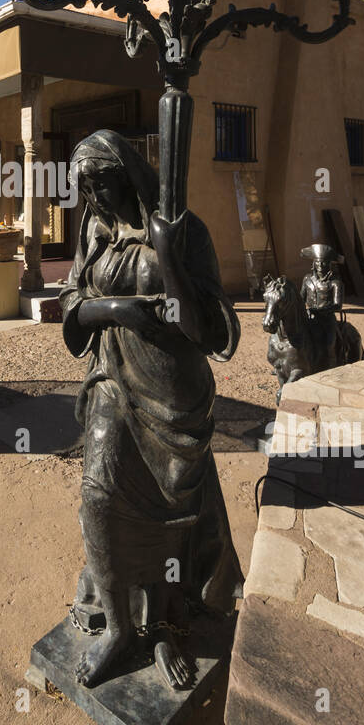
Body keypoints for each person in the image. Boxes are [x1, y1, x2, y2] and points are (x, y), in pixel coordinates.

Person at [59, 129, 243, 691]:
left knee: (172, 517)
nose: (94, 199)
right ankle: (118, 626)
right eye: (85, 188)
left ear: (129, 176)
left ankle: (163, 622)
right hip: (113, 380)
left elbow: (209, 331)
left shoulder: (184, 233)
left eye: (103, 184)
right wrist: (115, 309)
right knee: (98, 495)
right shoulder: (94, 230)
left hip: (176, 398)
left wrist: (168, 253)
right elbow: (70, 306)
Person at [300, 243, 344, 368]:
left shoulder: (335, 282)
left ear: (329, 264)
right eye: (318, 262)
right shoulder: (307, 279)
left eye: (324, 262)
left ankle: (332, 365)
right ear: (313, 263)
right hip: (309, 319)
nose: (320, 265)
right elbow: (300, 299)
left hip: (327, 321)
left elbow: (338, 305)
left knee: (329, 344)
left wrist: (321, 310)